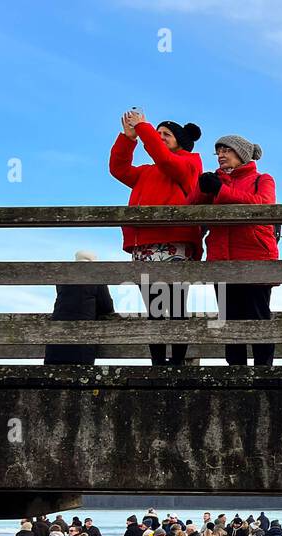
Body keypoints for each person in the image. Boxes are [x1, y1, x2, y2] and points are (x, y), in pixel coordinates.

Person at [110, 110, 204, 366]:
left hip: (173, 244)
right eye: (157, 133)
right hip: (145, 246)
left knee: (175, 307)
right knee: (153, 309)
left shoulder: (189, 162)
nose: (159, 137)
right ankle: (158, 363)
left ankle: (177, 363)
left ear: (180, 140)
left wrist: (144, 127)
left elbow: (164, 159)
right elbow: (118, 169)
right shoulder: (147, 172)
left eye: (166, 134)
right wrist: (128, 138)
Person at [188, 134, 279, 367]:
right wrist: (203, 186)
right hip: (221, 259)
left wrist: (221, 190)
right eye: (218, 151)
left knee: (258, 316)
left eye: (226, 150)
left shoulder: (263, 179)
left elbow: (262, 204)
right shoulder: (215, 181)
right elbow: (190, 206)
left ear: (241, 154)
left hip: (255, 257)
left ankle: (264, 369)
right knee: (229, 318)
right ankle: (235, 370)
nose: (220, 155)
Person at [46, 251, 117, 365]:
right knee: (80, 373)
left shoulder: (63, 279)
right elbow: (107, 307)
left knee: (53, 373)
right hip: (83, 337)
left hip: (56, 334)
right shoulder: (96, 278)